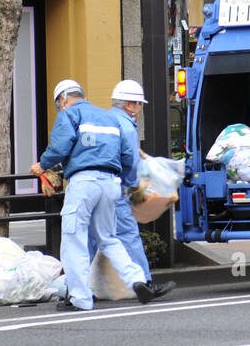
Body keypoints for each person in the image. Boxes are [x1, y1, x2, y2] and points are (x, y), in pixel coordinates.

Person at [31, 79, 154, 311]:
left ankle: (80, 299)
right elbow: (128, 154)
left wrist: (42, 164)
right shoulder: (109, 117)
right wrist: (129, 183)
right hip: (110, 184)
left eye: (59, 104)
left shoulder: (68, 115)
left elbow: (60, 147)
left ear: (63, 99)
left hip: (83, 182)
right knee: (109, 238)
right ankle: (136, 279)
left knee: (74, 239)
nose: (60, 107)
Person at [86, 79, 174, 298]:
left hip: (91, 187)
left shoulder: (103, 120)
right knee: (128, 235)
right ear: (129, 104)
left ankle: (73, 287)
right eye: (139, 104)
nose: (140, 109)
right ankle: (145, 282)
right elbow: (130, 163)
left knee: (89, 238)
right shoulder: (127, 126)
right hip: (115, 189)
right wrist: (137, 187)